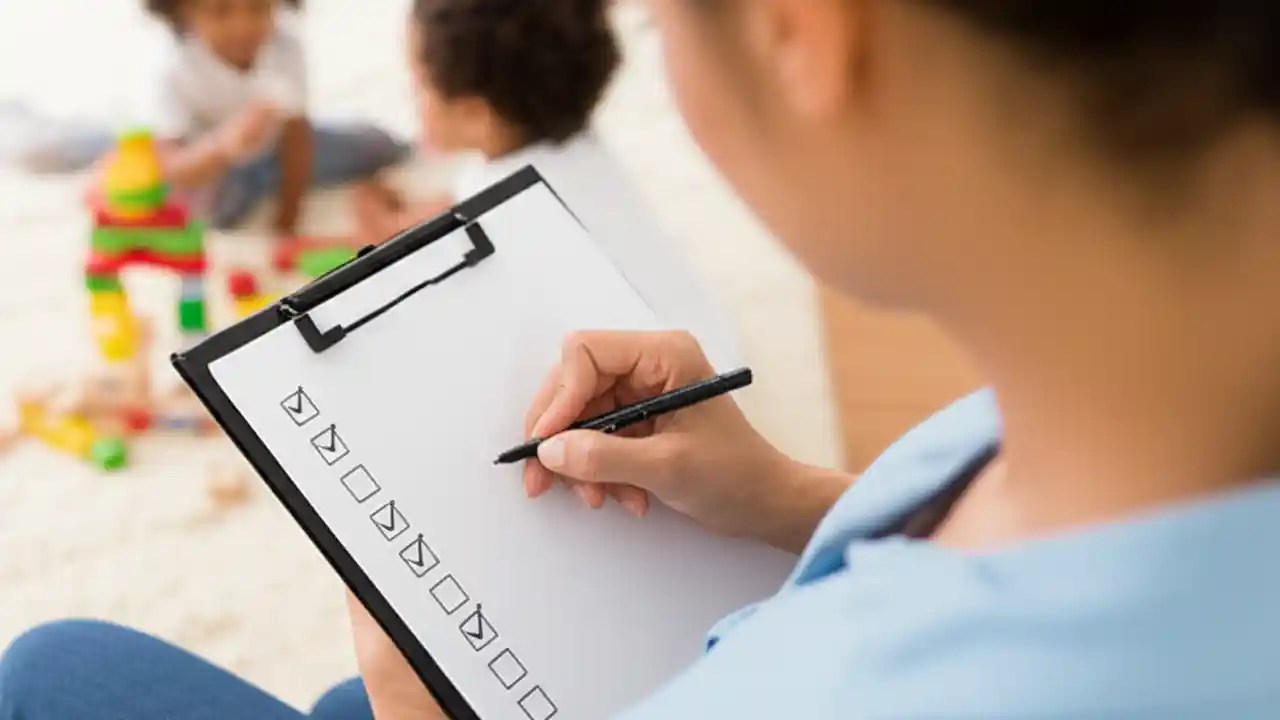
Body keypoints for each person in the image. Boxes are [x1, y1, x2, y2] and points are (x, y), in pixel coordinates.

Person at [3, 0, 1280, 717]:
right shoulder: (1123, 423)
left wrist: (412, 706)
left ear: (803, 34)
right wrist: (784, 496)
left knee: (59, 677)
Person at [356, 0, 741, 368]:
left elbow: (418, 263)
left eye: (418, 82)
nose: (408, 94)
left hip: (675, 395)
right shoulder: (571, 144)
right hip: (709, 347)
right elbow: (458, 203)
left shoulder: (502, 219)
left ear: (475, 115)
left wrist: (380, 223)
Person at [4, 0, 409, 236]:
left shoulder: (284, 48)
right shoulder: (168, 68)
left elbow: (297, 137)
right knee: (57, 148)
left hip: (263, 157)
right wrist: (223, 147)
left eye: (258, 7)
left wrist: (288, 218)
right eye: (220, 11)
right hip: (194, 155)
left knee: (381, 145)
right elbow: (175, 171)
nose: (243, 25)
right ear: (181, 12)